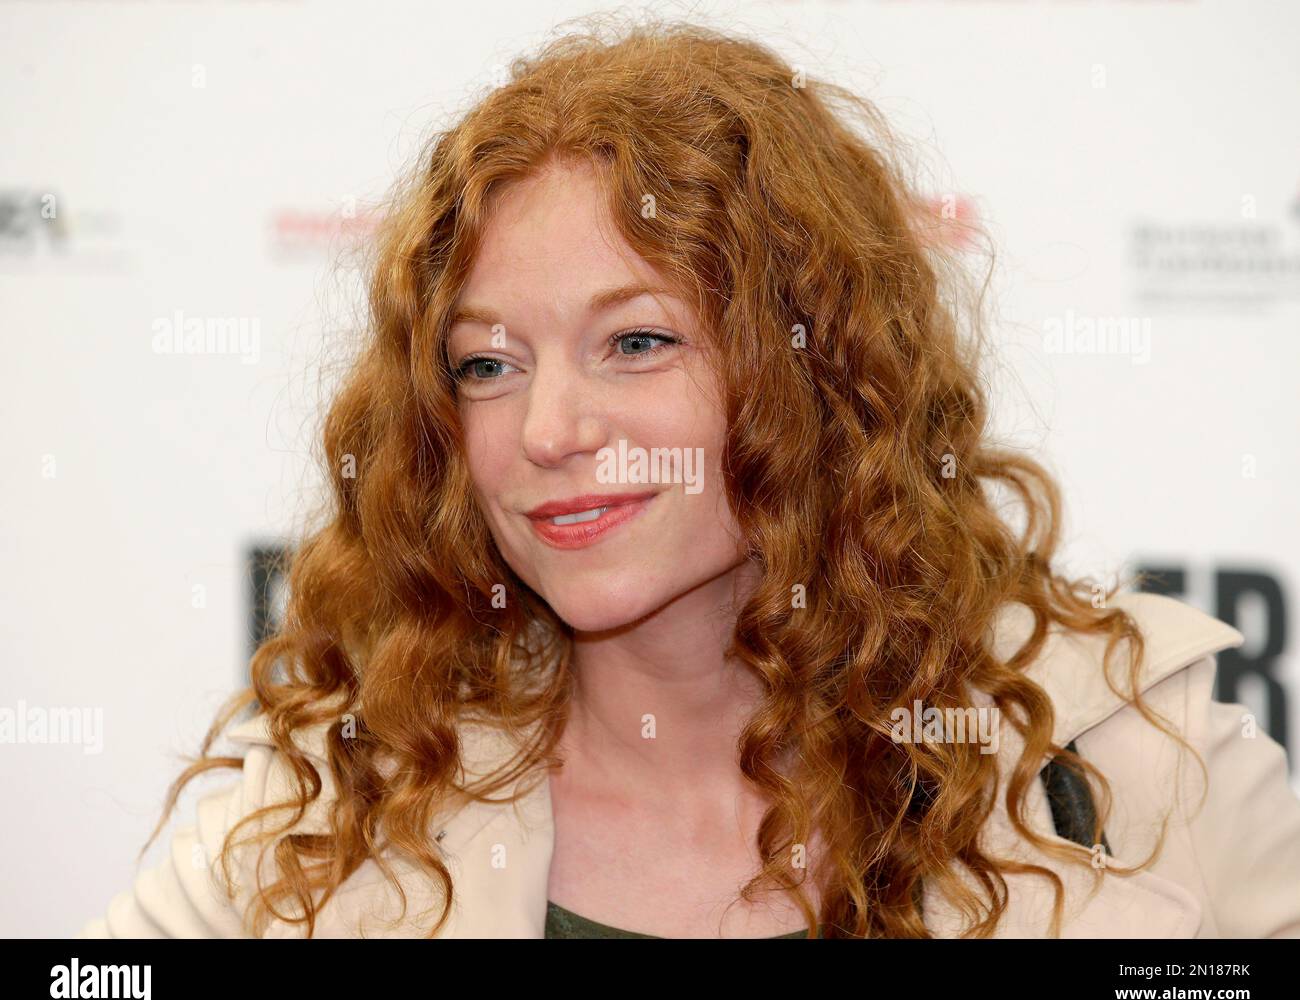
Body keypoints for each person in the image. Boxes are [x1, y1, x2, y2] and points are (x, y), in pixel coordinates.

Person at [78, 18, 1300, 940]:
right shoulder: (331, 798)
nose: (548, 427)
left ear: (815, 365)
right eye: (487, 363)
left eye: (637, 341)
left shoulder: (1140, 764)